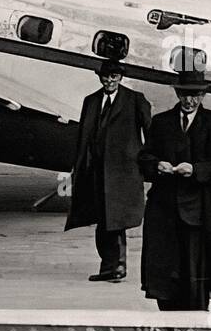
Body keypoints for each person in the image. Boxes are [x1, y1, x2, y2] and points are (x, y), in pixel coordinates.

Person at [139, 70, 211, 331]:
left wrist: (196, 170)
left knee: (196, 274)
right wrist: (157, 165)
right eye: (184, 94)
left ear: (203, 95)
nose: (189, 100)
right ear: (177, 94)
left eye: (195, 95)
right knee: (165, 271)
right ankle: (174, 328)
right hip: (165, 209)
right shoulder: (161, 122)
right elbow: (143, 157)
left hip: (201, 209)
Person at [65, 60, 152, 282]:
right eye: (106, 77)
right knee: (103, 220)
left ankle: (118, 267)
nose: (109, 81)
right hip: (95, 172)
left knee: (116, 220)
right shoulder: (91, 101)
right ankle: (109, 267)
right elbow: (83, 138)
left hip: (123, 172)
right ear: (100, 77)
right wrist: (78, 168)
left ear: (121, 78)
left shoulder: (135, 100)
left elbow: (151, 136)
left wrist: (145, 163)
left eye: (114, 77)